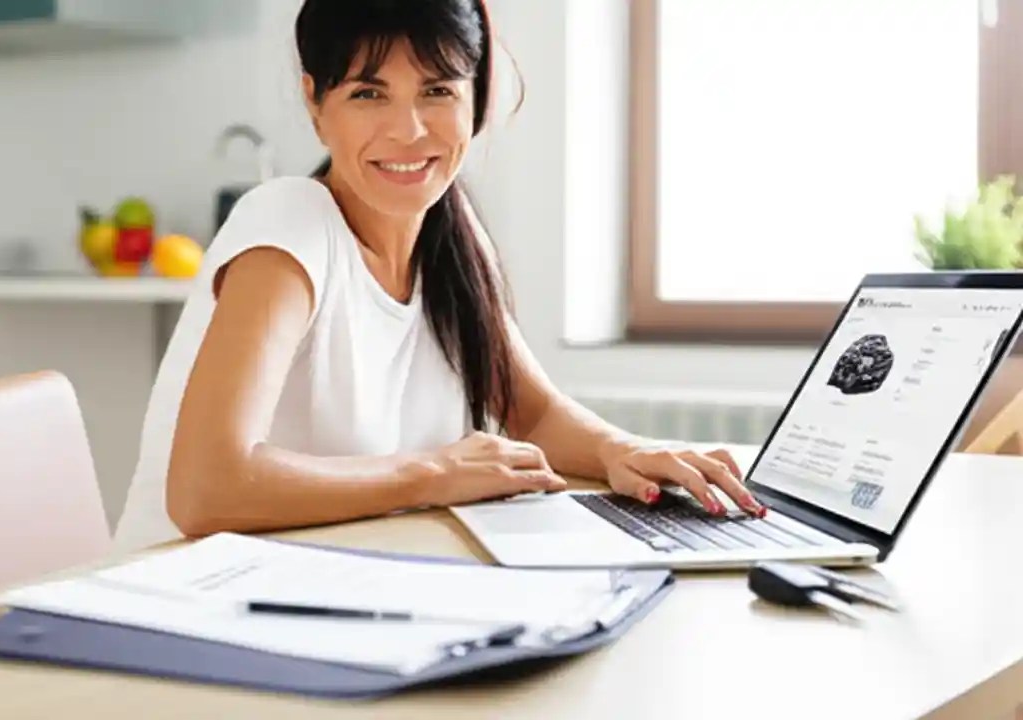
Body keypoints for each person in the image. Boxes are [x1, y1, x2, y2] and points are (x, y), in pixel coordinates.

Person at [112, 0, 766, 552]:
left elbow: (532, 413)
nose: (409, 129)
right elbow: (206, 489)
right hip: (179, 607)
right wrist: (432, 473)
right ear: (316, 102)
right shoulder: (288, 224)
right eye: (369, 93)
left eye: (437, 90)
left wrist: (623, 450)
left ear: (475, 96)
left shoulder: (449, 232)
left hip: (328, 589)